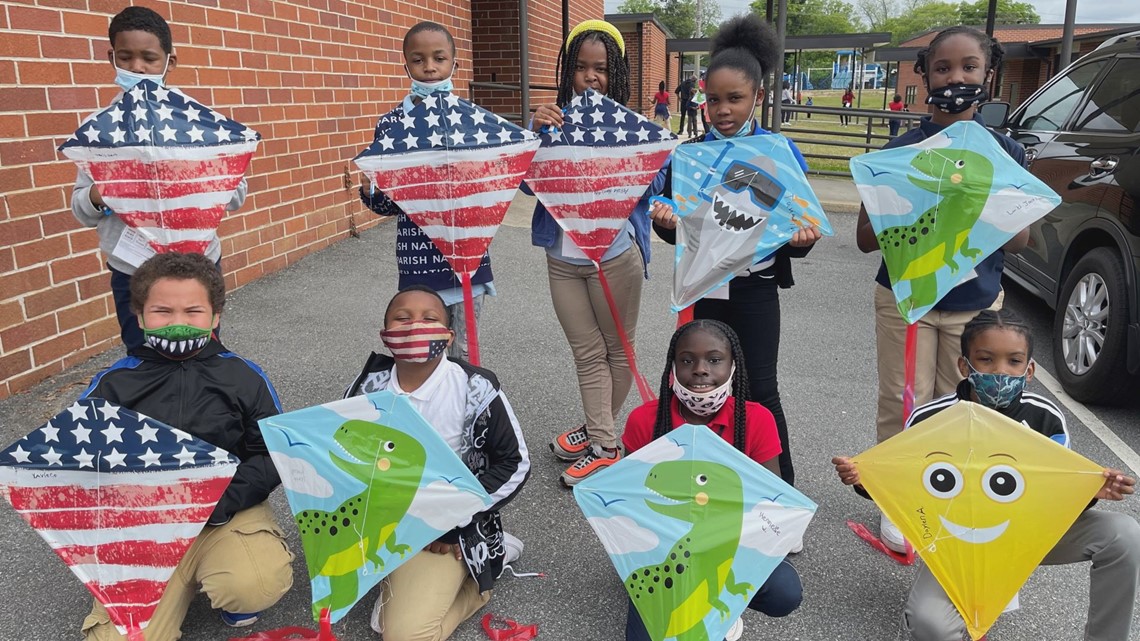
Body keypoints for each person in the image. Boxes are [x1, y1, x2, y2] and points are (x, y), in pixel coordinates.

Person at [832, 310, 1140, 641]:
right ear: (965, 367)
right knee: (931, 624)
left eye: (1014, 361)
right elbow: (905, 484)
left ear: (1030, 369)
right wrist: (863, 481)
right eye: (986, 359)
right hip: (957, 540)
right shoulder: (932, 419)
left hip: (1025, 534)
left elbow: (1056, 496)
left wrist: (1092, 492)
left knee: (1123, 534)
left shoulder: (1046, 419)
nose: (1000, 371)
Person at [854, 25, 1030, 554]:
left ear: (987, 75)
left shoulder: (1006, 150)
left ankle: (951, 492)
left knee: (961, 406)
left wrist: (980, 197)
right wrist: (908, 203)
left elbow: (1020, 238)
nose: (956, 78)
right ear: (924, 75)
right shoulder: (900, 149)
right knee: (902, 401)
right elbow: (865, 238)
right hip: (906, 301)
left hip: (974, 304)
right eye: (943, 68)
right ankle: (897, 497)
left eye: (969, 67)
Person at [78, 252, 293, 640]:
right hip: (148, 527)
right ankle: (172, 585)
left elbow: (273, 452)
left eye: (193, 311)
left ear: (215, 318)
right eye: (162, 311)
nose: (178, 323)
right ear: (140, 318)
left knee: (254, 583)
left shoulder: (243, 375)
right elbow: (79, 461)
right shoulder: (112, 385)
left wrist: (219, 500)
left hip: (225, 512)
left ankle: (227, 585)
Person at [649, 14, 823, 487]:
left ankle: (779, 498)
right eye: (713, 99)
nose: (722, 109)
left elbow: (797, 226)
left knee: (761, 391)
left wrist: (802, 239)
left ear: (759, 98)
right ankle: (691, 488)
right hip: (702, 289)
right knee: (694, 388)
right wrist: (664, 222)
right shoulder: (687, 156)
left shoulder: (779, 152)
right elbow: (678, 229)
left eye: (735, 98)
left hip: (757, 289)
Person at [344, 285, 530, 641]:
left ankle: (483, 575)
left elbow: (515, 463)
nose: (415, 326)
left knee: (402, 635)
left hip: (447, 528)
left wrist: (454, 522)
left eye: (430, 319)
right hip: (387, 517)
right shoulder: (368, 386)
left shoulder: (474, 387)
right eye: (402, 318)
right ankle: (399, 582)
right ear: (385, 336)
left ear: (448, 336)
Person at [529, 20, 665, 486]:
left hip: (614, 256)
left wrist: (635, 154)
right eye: (581, 67)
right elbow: (530, 186)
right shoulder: (553, 121)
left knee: (617, 349)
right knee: (586, 352)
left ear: (618, 73)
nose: (591, 77)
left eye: (601, 68)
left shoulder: (635, 126)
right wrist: (535, 133)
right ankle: (600, 432)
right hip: (563, 257)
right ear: (568, 71)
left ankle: (604, 444)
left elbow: (659, 183)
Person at [72, 6, 247, 351]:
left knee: (203, 350)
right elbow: (81, 207)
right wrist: (104, 191)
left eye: (149, 58)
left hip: (197, 264)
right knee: (142, 352)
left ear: (170, 61)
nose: (137, 67)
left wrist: (195, 178)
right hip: (133, 268)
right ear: (112, 57)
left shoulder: (200, 124)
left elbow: (237, 192)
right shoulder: (99, 129)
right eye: (126, 57)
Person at [623, 320, 802, 641]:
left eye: (715, 359)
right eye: (687, 360)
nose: (700, 369)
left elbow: (772, 501)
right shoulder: (644, 420)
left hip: (731, 546)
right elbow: (629, 498)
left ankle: (724, 606)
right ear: (672, 367)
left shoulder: (757, 419)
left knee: (784, 593)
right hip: (665, 549)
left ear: (734, 366)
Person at [359, 21, 494, 361]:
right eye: (419, 60)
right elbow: (387, 204)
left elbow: (492, 182)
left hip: (467, 252)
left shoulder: (474, 120)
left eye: (439, 58)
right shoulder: (392, 124)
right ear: (406, 65)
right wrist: (372, 192)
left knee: (465, 349)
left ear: (454, 64)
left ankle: (470, 411)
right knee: (424, 348)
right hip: (418, 256)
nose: (430, 67)